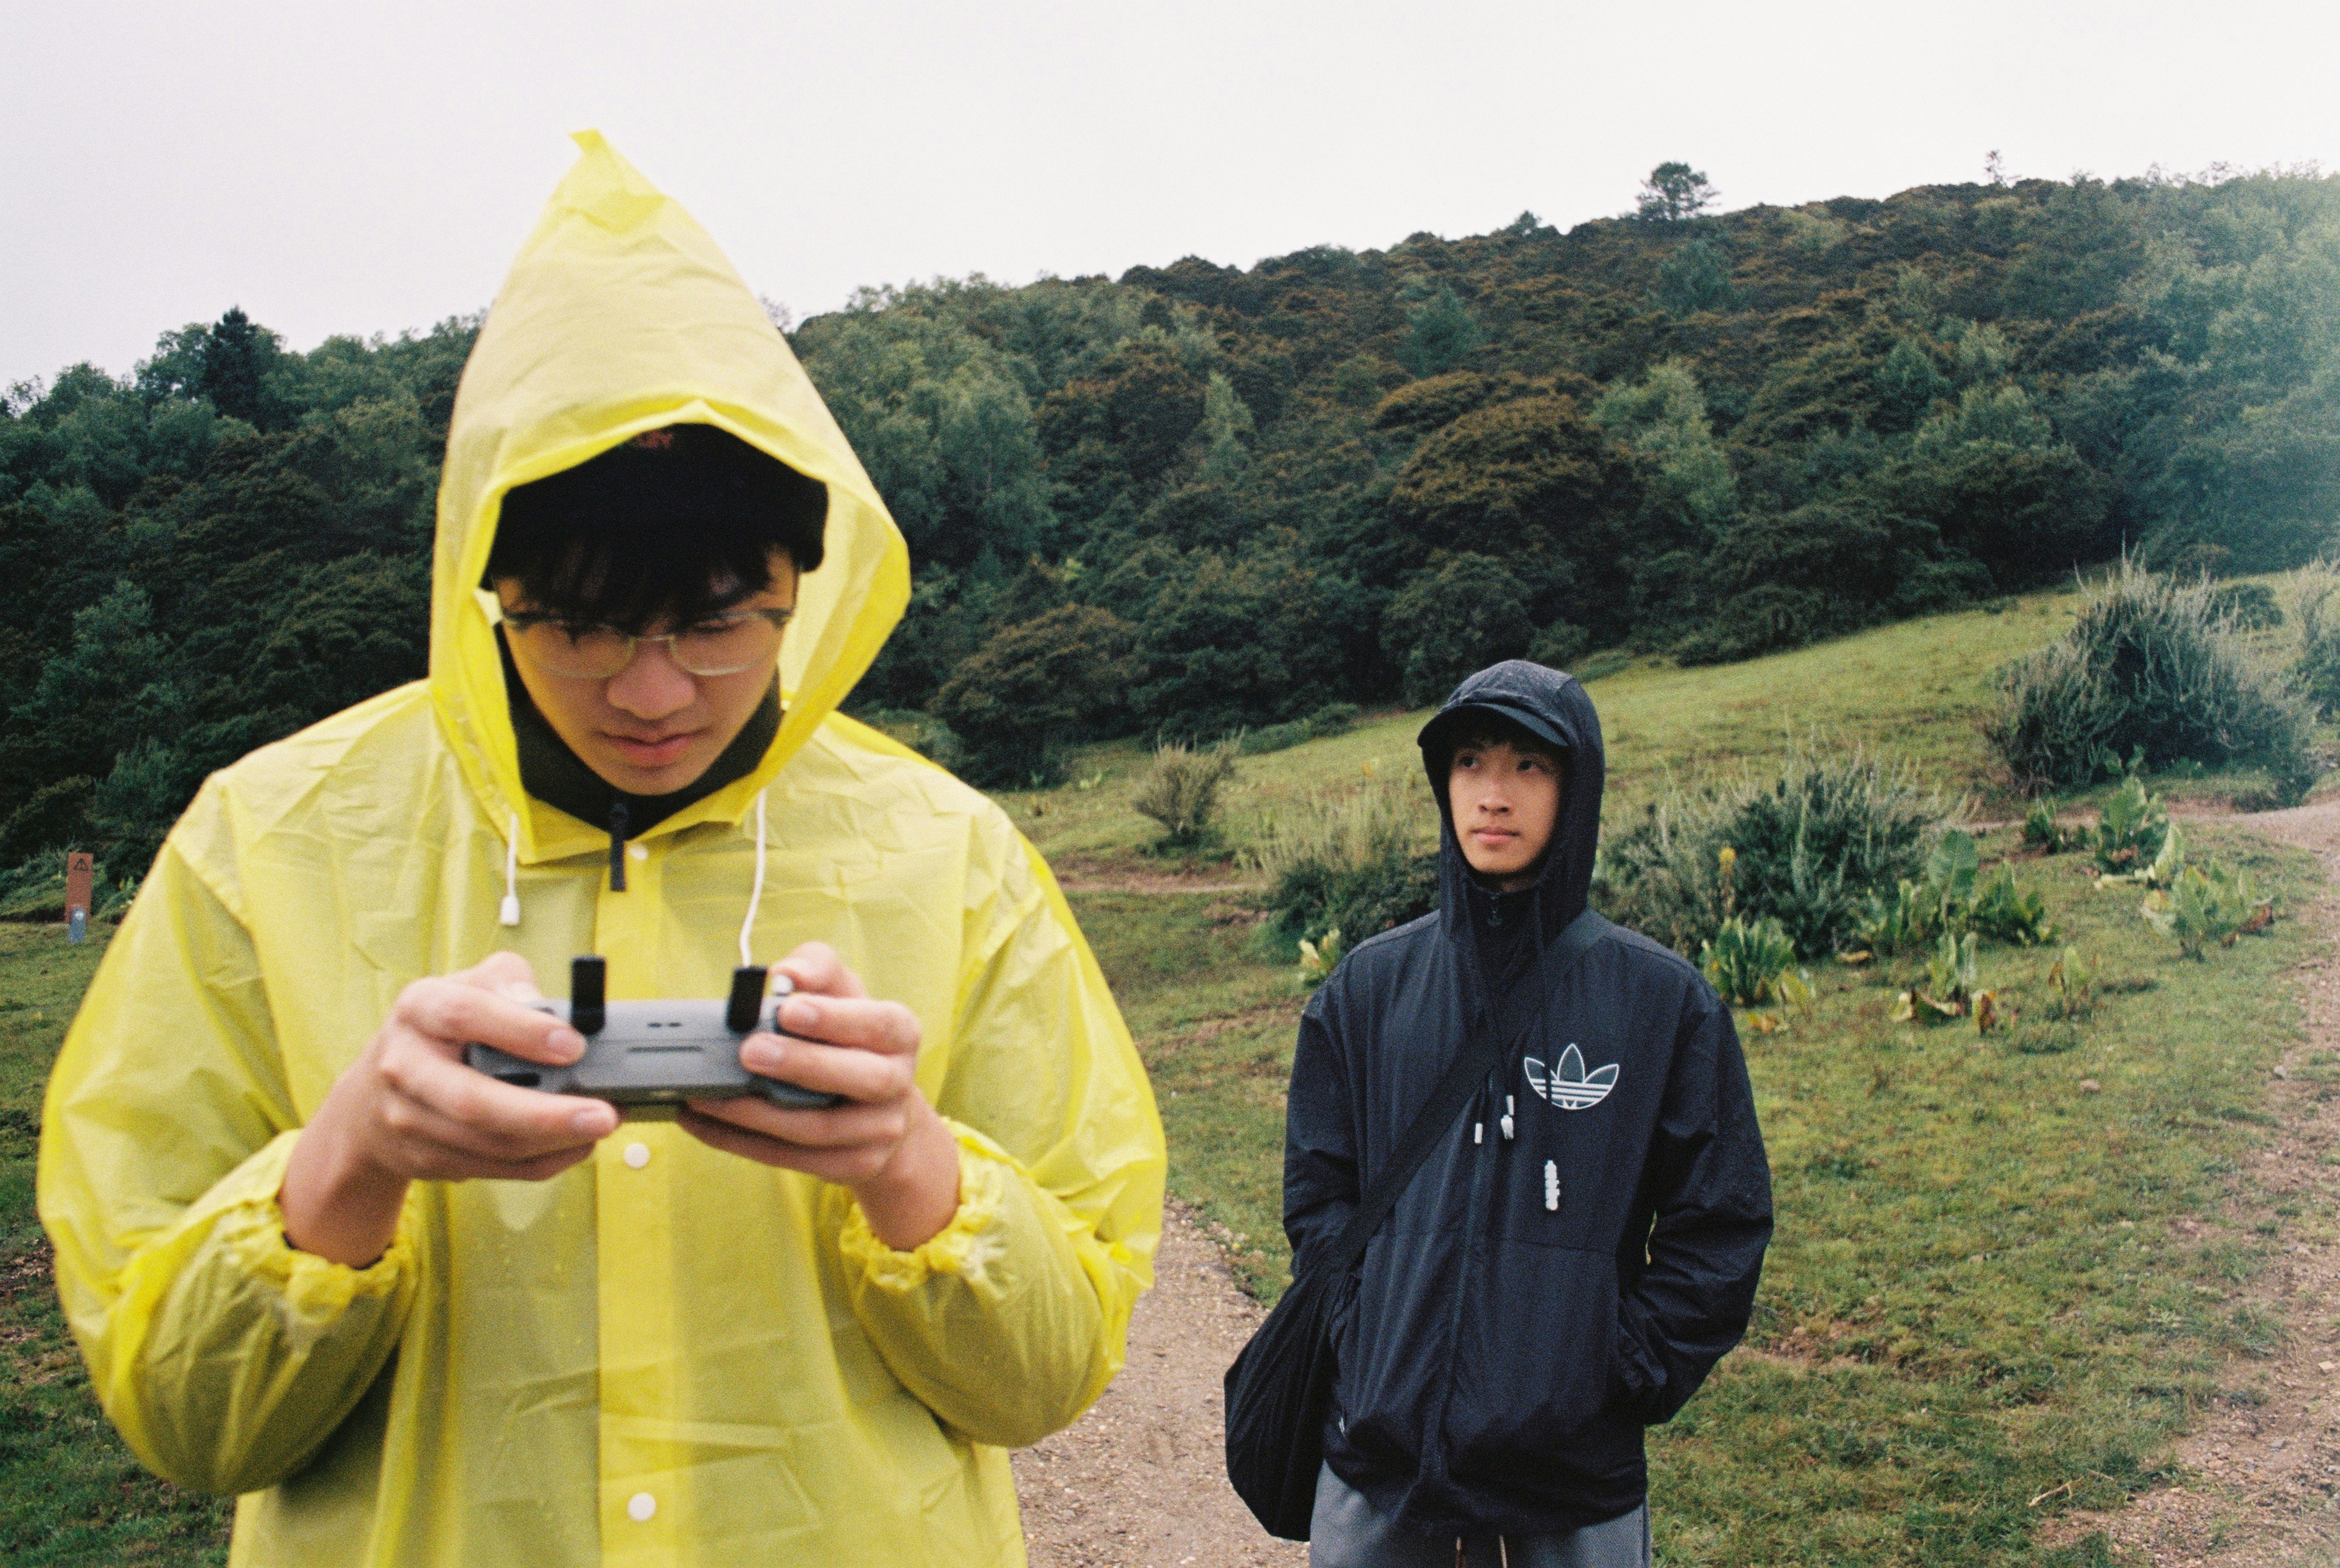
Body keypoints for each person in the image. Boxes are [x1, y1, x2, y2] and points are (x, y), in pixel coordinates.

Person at [38, 132, 1164, 1567]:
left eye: (715, 624)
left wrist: (909, 1165)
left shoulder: (951, 857)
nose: (649, 695)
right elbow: (187, 1430)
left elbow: (1051, 1382)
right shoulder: (264, 845)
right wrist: (349, 1161)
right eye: (577, 625)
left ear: (800, 588)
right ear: (485, 584)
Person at [1281, 660, 1772, 1567]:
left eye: (1528, 766)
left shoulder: (1660, 1002)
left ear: (1574, 786)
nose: (1493, 794)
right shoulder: (1368, 989)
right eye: (1470, 762)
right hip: (1382, 1454)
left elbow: (1723, 1220)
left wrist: (1618, 1366)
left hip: (1571, 1471)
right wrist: (1367, 1334)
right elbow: (1318, 1192)